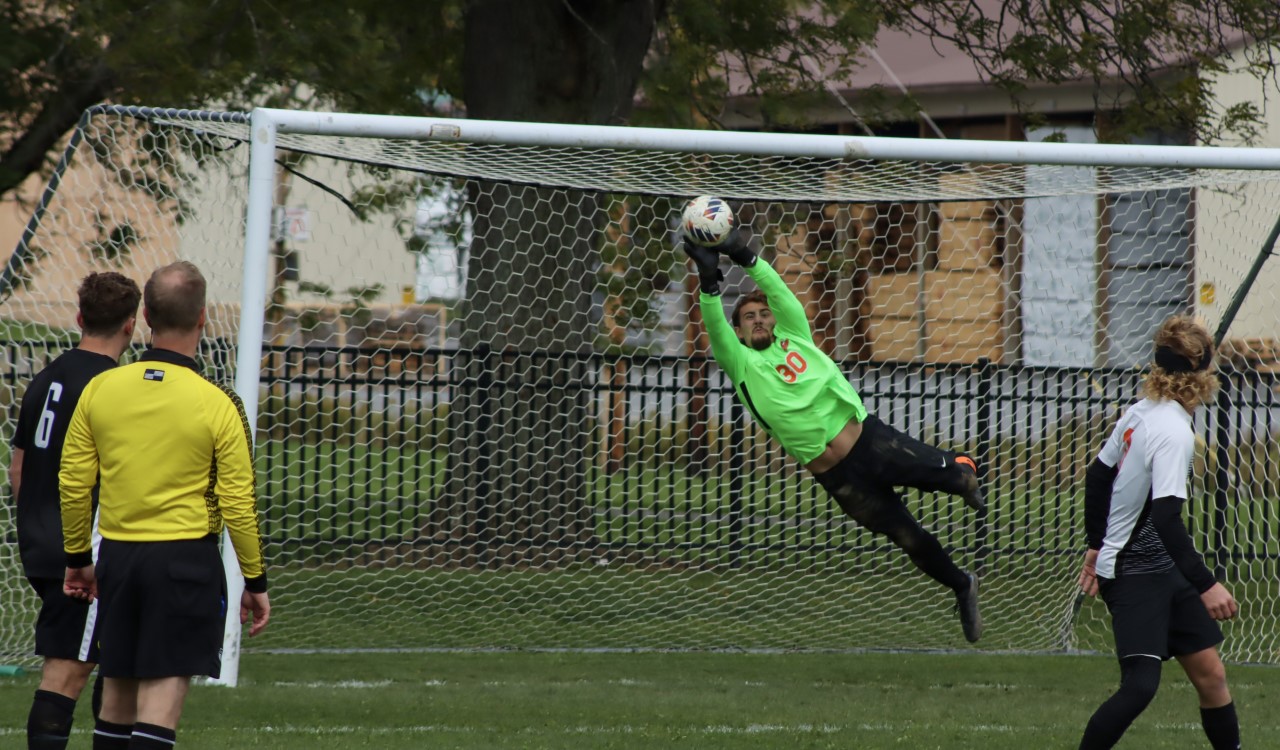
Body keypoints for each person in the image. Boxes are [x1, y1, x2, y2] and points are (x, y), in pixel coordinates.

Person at [683, 231, 987, 643]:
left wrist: (742, 253)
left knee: (956, 480)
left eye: (762, 314)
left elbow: (777, 288)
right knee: (907, 536)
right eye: (748, 318)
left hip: (869, 442)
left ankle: (962, 468)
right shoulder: (740, 364)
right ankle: (961, 585)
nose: (758, 320)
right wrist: (708, 282)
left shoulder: (795, 335)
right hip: (840, 479)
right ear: (738, 332)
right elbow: (714, 324)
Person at [59, 261, 270, 749]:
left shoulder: (102, 387)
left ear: (146, 315)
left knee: (114, 706)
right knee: (158, 711)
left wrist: (78, 560)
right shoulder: (217, 402)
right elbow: (238, 501)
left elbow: (73, 483)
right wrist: (254, 581)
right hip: (183, 563)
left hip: (118, 559)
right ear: (202, 319)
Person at [1076, 315, 1240, 749]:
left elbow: (1097, 476)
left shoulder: (1143, 411)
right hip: (1135, 570)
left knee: (1211, 675)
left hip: (1162, 568)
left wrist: (1095, 545)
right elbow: (1166, 519)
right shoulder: (1170, 429)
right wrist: (1207, 585)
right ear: (1203, 373)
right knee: (1140, 686)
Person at [11, 272, 140, 749]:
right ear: (131, 325)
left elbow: (18, 468)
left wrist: (36, 524)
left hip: (39, 539)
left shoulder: (45, 379)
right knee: (69, 669)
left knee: (114, 656)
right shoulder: (114, 387)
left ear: (80, 317)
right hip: (83, 549)